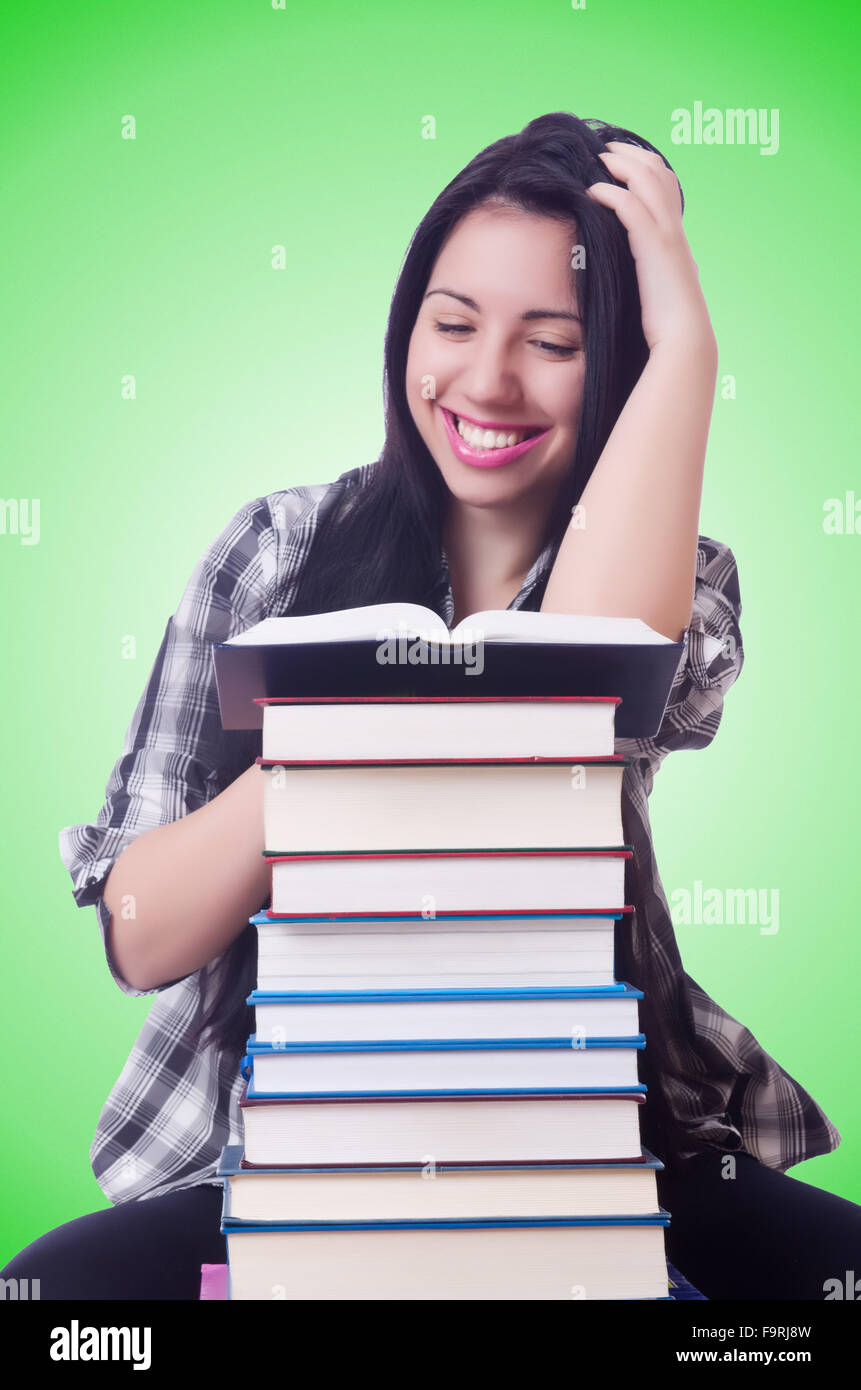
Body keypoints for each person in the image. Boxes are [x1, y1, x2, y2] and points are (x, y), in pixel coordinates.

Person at [4, 111, 859, 1301]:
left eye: (553, 342)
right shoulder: (276, 548)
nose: (487, 380)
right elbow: (141, 932)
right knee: (50, 1300)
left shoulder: (677, 571)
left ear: (620, 365)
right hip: (283, 1149)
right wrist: (332, 747)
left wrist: (688, 350)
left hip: (594, 1139)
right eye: (452, 324)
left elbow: (580, 680)